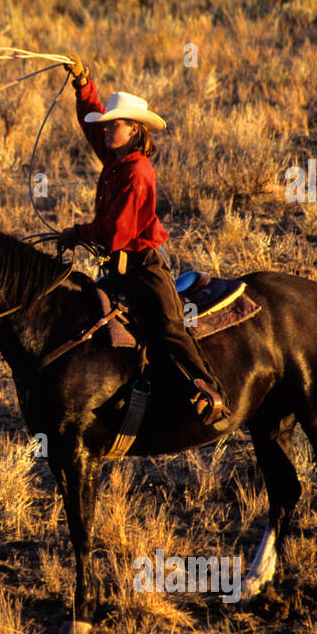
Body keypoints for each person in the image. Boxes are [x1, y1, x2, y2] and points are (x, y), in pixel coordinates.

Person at [57, 54, 231, 430]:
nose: (105, 130)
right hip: (119, 269)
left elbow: (115, 233)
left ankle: (208, 394)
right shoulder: (117, 159)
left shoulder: (137, 171)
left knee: (169, 328)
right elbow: (92, 125)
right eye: (106, 125)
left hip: (145, 269)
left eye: (114, 125)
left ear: (135, 130)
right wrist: (84, 84)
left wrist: (78, 233)